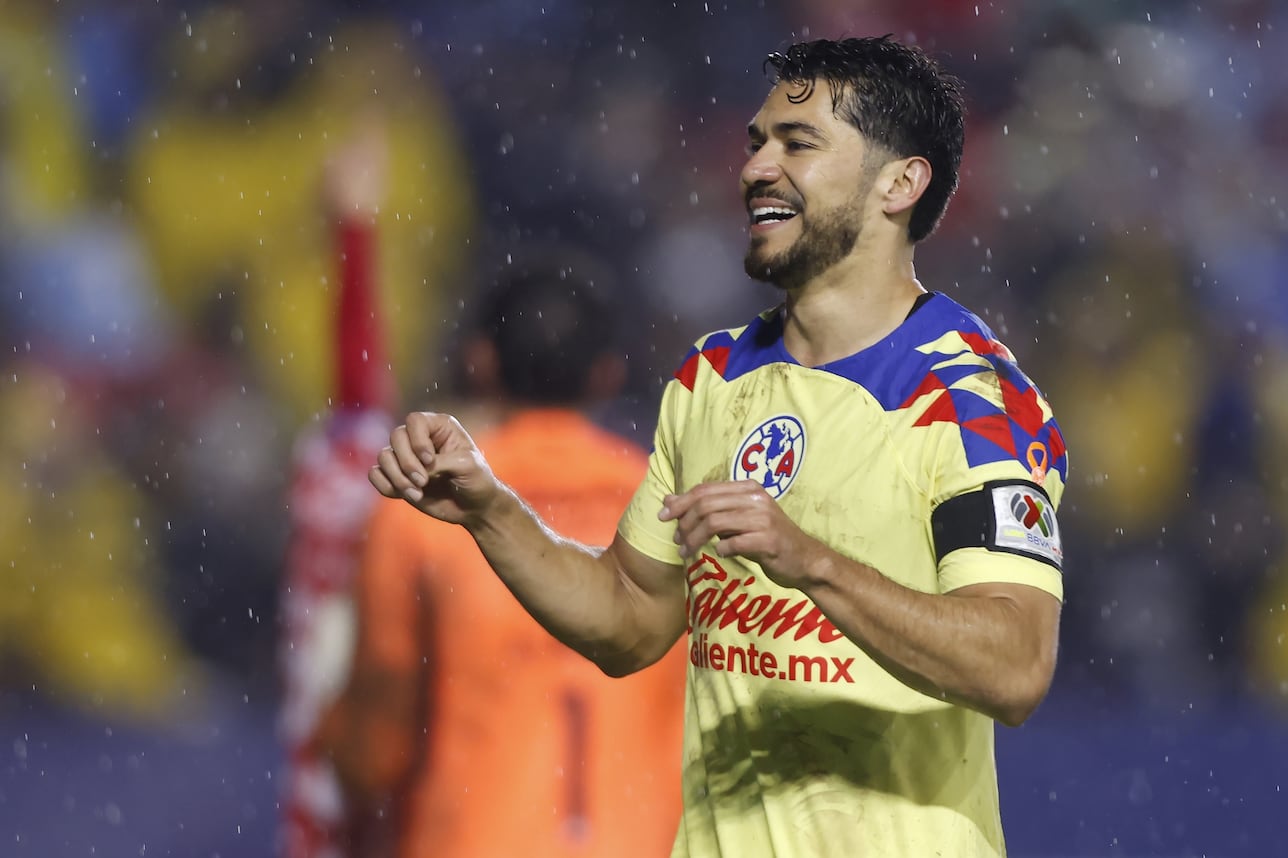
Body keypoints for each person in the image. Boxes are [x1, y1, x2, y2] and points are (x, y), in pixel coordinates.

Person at [369, 36, 1069, 857]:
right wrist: (490, 511)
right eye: (756, 142)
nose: (756, 168)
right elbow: (629, 620)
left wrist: (809, 562)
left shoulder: (975, 399)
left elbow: (1015, 668)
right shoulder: (712, 378)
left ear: (900, 184)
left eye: (797, 144)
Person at [313, 250, 688, 857]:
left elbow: (375, 748)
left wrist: (330, 728)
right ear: (607, 374)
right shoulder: (672, 505)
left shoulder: (424, 509)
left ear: (481, 361)